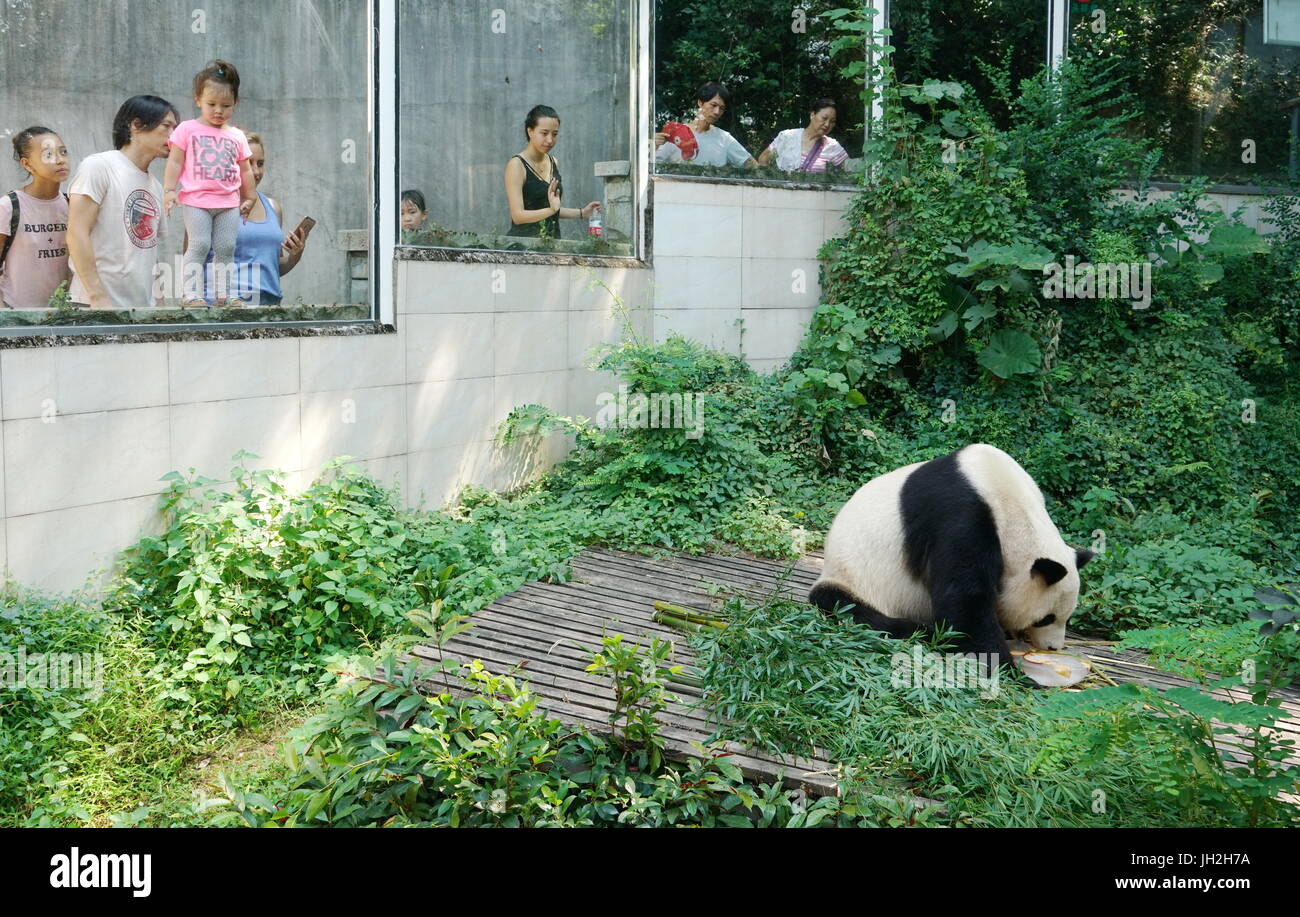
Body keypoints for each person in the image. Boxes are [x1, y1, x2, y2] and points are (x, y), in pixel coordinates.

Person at [66, 95, 179, 309]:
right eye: (166, 126)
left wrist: (159, 305)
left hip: (140, 311)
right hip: (94, 306)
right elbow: (76, 233)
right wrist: (97, 297)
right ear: (136, 125)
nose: (174, 136)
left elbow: (150, 253)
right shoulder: (98, 166)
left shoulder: (155, 186)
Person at [163, 59, 256, 307]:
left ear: (235, 103)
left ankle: (224, 294)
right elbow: (174, 162)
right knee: (200, 244)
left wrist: (250, 197)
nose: (218, 110)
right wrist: (170, 190)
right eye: (211, 104)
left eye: (226, 105)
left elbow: (245, 169)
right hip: (196, 200)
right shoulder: (187, 129)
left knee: (226, 247)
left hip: (228, 202)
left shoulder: (236, 136)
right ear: (198, 100)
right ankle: (191, 293)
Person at [199, 131, 307, 305]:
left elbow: (274, 268)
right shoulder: (208, 205)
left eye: (260, 163)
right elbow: (192, 267)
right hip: (225, 311)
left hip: (269, 309)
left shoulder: (273, 208)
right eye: (248, 163)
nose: (256, 172)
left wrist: (295, 256)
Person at [0, 127, 72, 308]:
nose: (60, 160)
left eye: (63, 152)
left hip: (64, 315)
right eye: (48, 155)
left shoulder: (72, 205)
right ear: (27, 164)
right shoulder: (9, 206)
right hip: (18, 316)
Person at [504, 104, 599, 239]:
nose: (550, 140)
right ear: (530, 131)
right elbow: (518, 216)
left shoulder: (553, 162)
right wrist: (551, 210)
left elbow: (551, 209)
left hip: (551, 245)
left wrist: (583, 212)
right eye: (544, 133)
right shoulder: (516, 165)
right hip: (524, 247)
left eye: (554, 134)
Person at [653, 82, 757, 169]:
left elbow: (753, 166)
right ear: (700, 103)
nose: (717, 112)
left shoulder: (725, 139)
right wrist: (655, 146)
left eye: (721, 108)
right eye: (713, 105)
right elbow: (653, 166)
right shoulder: (676, 133)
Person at [758, 98, 849, 173]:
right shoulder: (787, 137)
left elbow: (851, 170)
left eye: (832, 121)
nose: (827, 124)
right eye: (824, 118)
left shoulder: (832, 146)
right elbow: (763, 160)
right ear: (812, 115)